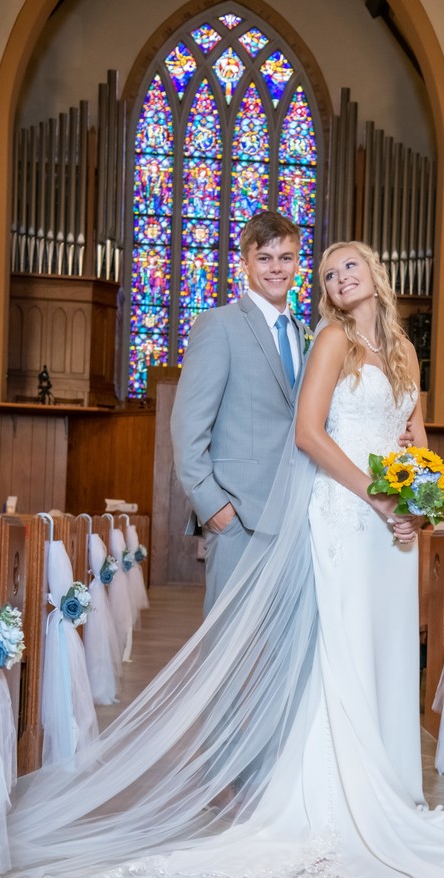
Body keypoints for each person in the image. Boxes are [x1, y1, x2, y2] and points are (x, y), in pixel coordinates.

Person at [3, 242, 444, 878]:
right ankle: (331, 796)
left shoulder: (400, 351)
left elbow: (414, 439)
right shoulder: (329, 339)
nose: (338, 279)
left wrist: (419, 506)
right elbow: (307, 433)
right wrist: (374, 494)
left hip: (389, 525)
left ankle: (388, 789)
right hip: (342, 511)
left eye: (347, 267)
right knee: (336, 652)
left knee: (383, 653)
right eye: (329, 272)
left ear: (374, 275)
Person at [171, 210, 311, 615]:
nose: (276, 268)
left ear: (298, 262)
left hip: (296, 518)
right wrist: (214, 508)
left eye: (285, 257)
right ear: (245, 262)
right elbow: (187, 425)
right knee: (228, 652)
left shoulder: (308, 335)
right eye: (264, 257)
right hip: (238, 518)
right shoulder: (219, 325)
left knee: (282, 650)